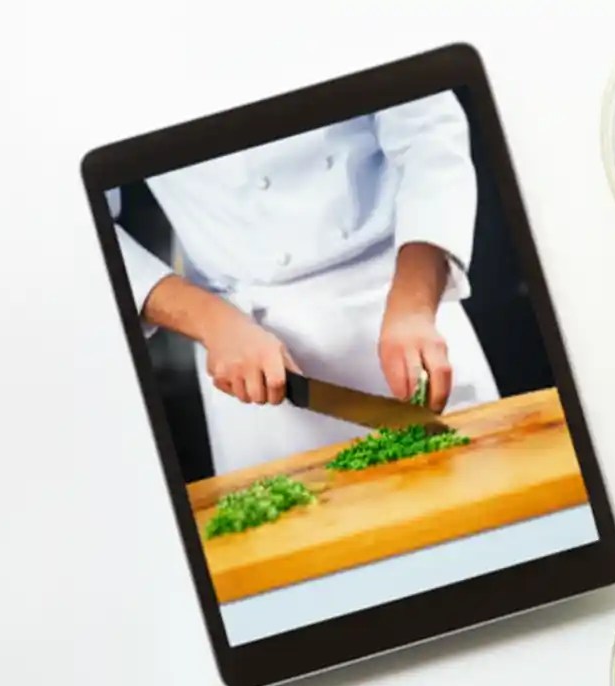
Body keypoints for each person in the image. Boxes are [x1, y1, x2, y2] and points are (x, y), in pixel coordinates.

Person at [109, 91, 499, 476]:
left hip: (409, 304)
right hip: (247, 354)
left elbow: (430, 134)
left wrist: (413, 305)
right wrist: (211, 321)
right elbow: (78, 222)